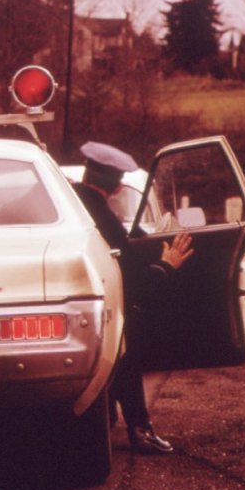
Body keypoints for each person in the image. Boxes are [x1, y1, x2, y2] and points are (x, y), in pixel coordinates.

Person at [71, 141, 194, 455]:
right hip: (103, 301)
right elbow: (130, 278)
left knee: (118, 353)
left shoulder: (75, 202)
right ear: (116, 185)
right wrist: (166, 265)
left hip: (78, 299)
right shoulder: (100, 213)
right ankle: (140, 429)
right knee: (127, 350)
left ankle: (110, 416)